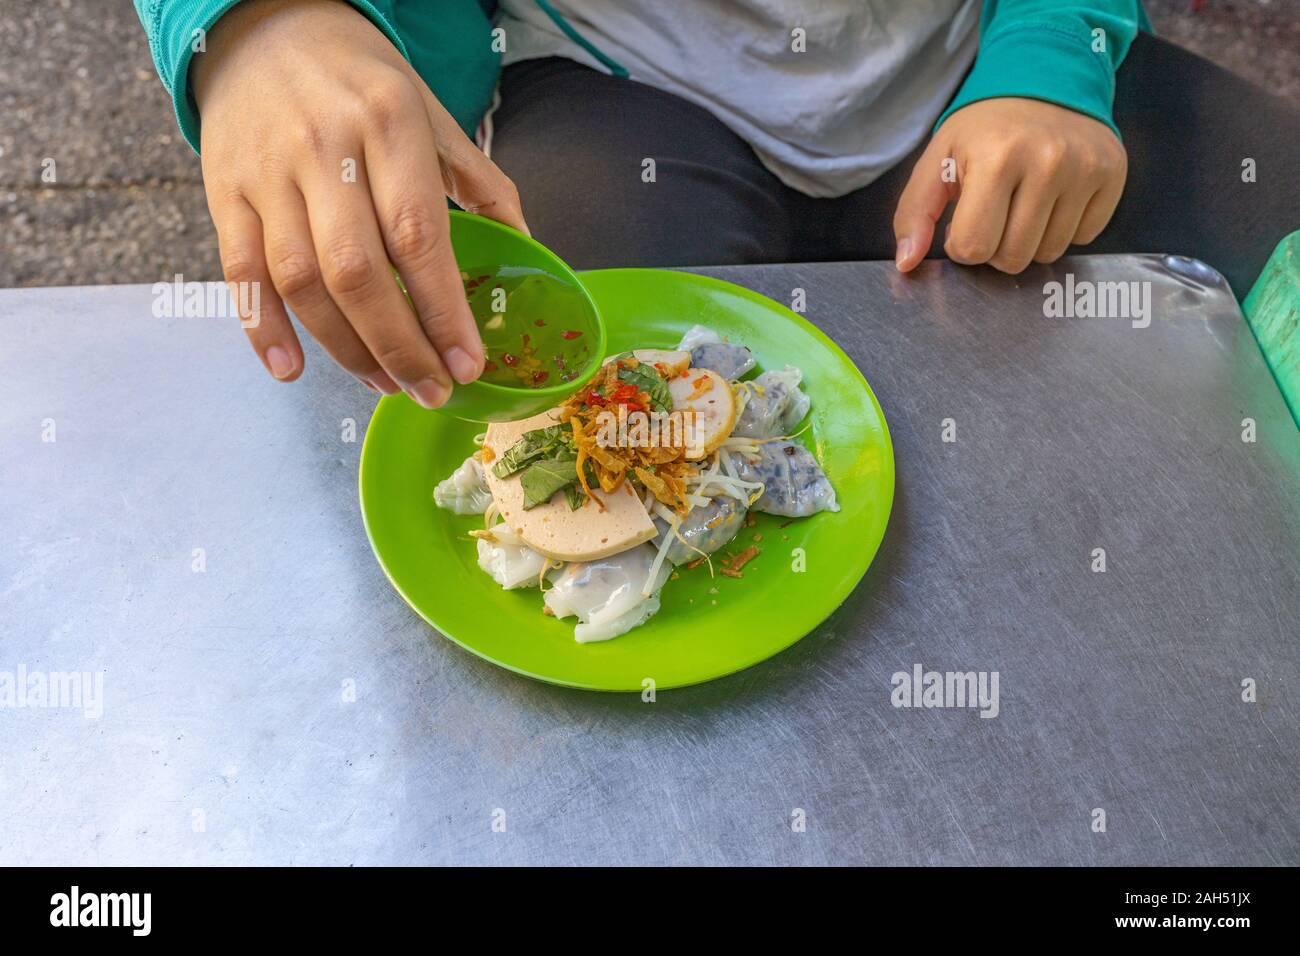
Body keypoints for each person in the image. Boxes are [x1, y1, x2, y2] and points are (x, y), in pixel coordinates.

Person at [133, 0, 1299, 405]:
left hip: (988, 66)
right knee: (545, 402)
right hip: (616, 74)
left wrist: (1055, 50)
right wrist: (258, 22)